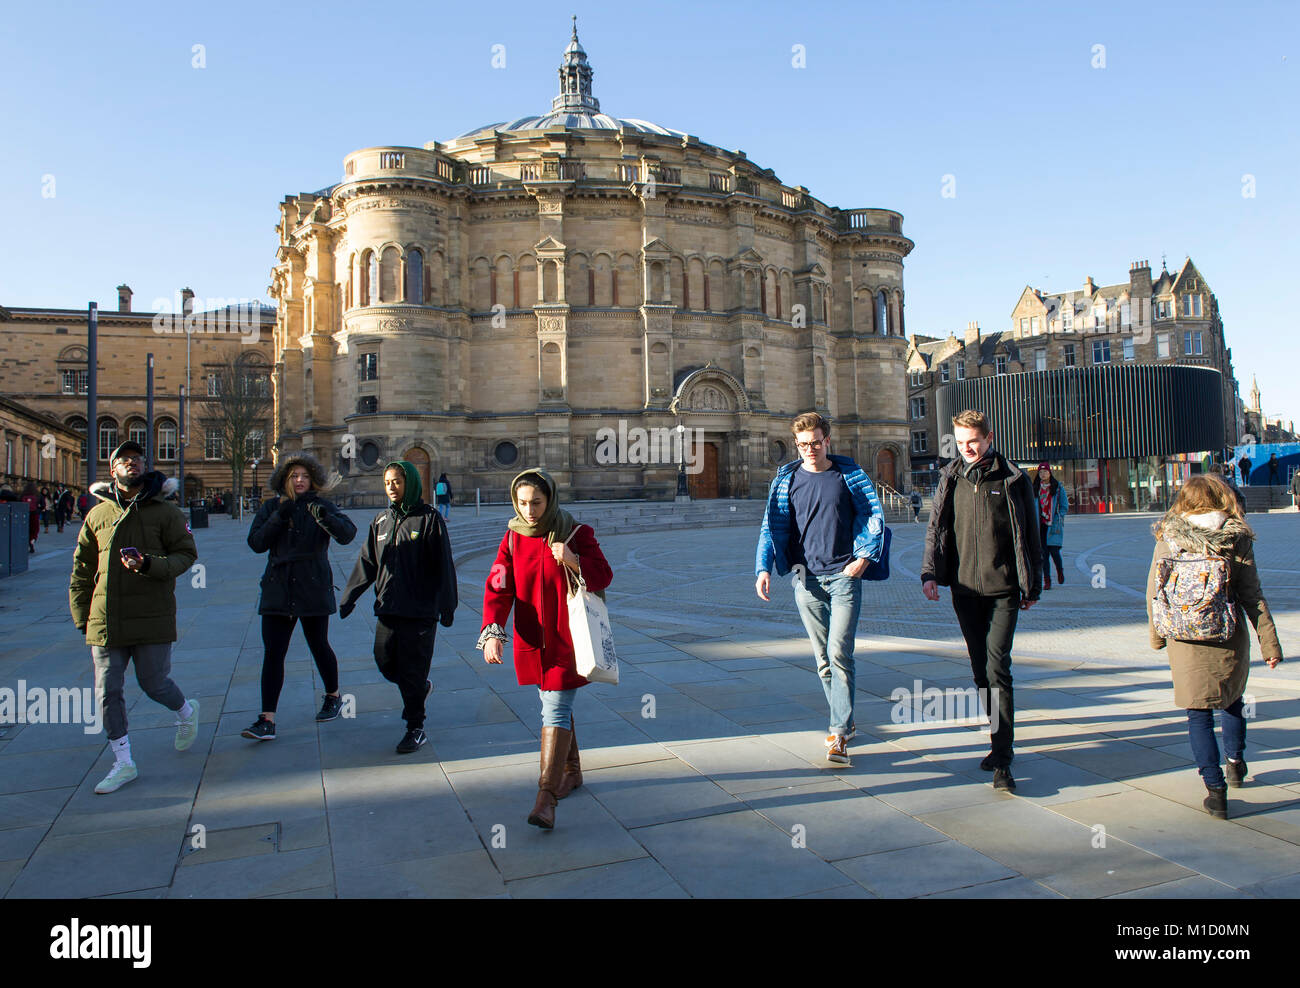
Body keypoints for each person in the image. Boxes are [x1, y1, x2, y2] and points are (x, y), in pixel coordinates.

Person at [478, 469, 613, 829]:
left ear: (550, 500)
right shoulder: (513, 537)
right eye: (522, 503)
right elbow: (498, 585)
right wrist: (493, 631)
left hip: (568, 641)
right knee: (551, 702)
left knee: (553, 708)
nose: (529, 511)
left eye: (536, 503)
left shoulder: (575, 532)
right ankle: (572, 771)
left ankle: (545, 797)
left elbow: (604, 573)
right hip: (532, 638)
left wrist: (573, 559)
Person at [1146, 474, 1282, 819]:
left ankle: (1215, 789)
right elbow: (1253, 594)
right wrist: (1269, 642)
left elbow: (1154, 591)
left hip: (1185, 636)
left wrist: (1157, 636)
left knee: (1198, 714)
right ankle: (1235, 762)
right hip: (1228, 633)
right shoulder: (1235, 537)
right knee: (1232, 701)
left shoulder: (1169, 536)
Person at [68, 441, 200, 795]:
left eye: (137, 458)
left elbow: (186, 555)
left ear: (145, 466)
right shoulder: (97, 514)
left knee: (153, 682)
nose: (131, 463)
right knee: (107, 691)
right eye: (123, 459)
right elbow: (81, 569)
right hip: (106, 618)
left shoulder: (166, 512)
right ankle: (123, 761)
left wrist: (150, 565)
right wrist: (83, 617)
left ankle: (186, 712)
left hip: (152, 613)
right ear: (112, 471)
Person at [755, 412, 885, 767]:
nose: (809, 449)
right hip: (806, 580)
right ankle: (846, 719)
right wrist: (763, 568)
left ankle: (839, 732)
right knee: (823, 661)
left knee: (840, 653)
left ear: (828, 441)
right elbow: (771, 527)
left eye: (815, 442)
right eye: (802, 444)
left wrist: (864, 558)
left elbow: (874, 516)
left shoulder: (849, 475)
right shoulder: (786, 480)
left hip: (845, 577)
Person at [920, 410, 1041, 791]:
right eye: (960, 442)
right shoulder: (950, 477)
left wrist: (1030, 584)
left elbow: (1030, 533)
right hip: (964, 590)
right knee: (979, 672)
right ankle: (996, 743)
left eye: (973, 440)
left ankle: (1004, 759)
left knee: (997, 668)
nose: (967, 447)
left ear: (990, 438)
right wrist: (929, 573)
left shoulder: (1013, 478)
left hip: (1003, 588)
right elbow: (936, 526)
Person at [339, 461, 457, 754]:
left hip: (420, 611)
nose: (392, 487)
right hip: (388, 607)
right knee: (385, 661)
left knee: (413, 669)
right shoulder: (381, 521)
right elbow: (367, 561)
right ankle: (419, 688)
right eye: (387, 482)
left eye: (397, 482)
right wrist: (349, 596)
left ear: (411, 483)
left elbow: (444, 565)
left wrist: (447, 605)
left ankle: (415, 727)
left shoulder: (429, 519)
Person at [242, 453, 357, 741]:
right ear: (284, 480)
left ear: (313, 479)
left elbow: (347, 534)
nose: (300, 480)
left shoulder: (322, 505)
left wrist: (325, 518)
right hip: (278, 587)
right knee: (273, 653)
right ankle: (267, 718)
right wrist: (280, 516)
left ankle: (333, 695)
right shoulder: (271, 508)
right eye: (294, 476)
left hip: (312, 585)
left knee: (318, 644)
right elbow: (256, 543)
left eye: (305, 476)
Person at [1035, 462, 1068, 590]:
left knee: (1054, 552)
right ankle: (1047, 580)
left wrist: (1059, 517)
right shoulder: (1035, 487)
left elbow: (1064, 505)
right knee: (1044, 555)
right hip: (1040, 525)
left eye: (1045, 472)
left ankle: (1060, 571)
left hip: (1053, 524)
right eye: (1040, 472)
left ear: (1050, 473)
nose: (1043, 474)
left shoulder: (1057, 487)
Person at [21, 482, 40, 553]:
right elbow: (42, 504)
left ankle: (26, 543)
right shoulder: (37, 495)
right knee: (34, 529)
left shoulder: (23, 495)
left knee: (26, 530)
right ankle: (32, 540)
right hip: (34, 514)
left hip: (25, 514)